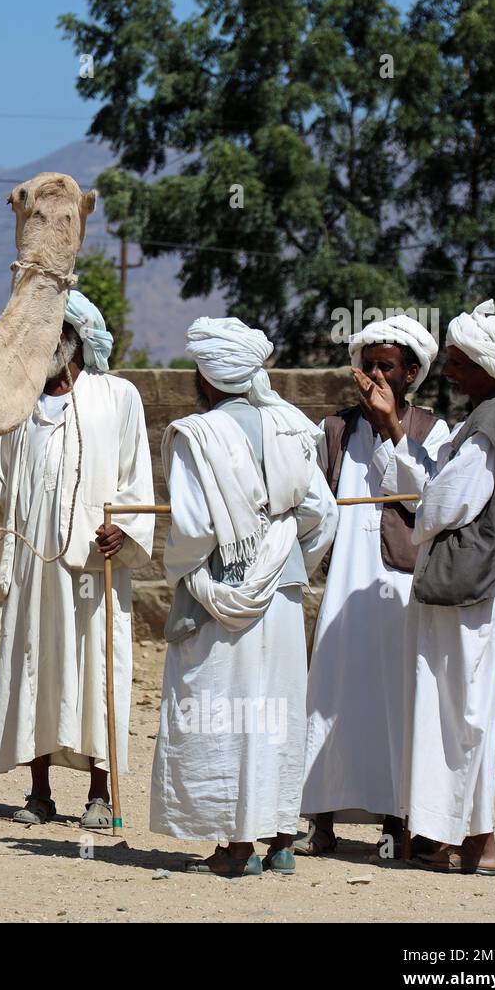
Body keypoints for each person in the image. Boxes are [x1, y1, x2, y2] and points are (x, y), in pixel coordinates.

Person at [0, 290, 155, 829]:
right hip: (35, 568)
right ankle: (38, 791)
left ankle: (100, 795)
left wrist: (124, 529)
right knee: (34, 671)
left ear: (75, 341)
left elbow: (136, 482)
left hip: (93, 569)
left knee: (95, 674)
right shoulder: (22, 409)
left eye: (51, 337)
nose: (41, 348)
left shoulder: (118, 397)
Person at [363, 299, 495, 876]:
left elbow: (444, 502)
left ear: (480, 366)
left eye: (455, 361)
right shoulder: (491, 417)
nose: (446, 371)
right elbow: (437, 488)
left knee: (460, 713)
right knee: (458, 710)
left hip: (465, 587)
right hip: (465, 588)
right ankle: (457, 837)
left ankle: (476, 839)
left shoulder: (490, 422)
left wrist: (423, 501)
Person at [149, 317, 337, 877]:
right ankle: (280, 838)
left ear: (206, 378)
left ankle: (234, 848)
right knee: (274, 710)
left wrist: (179, 569)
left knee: (218, 711)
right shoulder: (291, 427)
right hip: (280, 594)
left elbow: (195, 529)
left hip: (220, 591)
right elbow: (320, 513)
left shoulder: (196, 435)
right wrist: (288, 554)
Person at [298, 315, 450, 857]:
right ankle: (321, 817)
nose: (375, 376)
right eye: (368, 365)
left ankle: (395, 819)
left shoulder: (436, 432)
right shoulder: (334, 430)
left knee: (396, 697)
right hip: (344, 587)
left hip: (398, 588)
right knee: (331, 691)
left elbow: (424, 502)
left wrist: (392, 428)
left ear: (411, 374)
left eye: (387, 367)